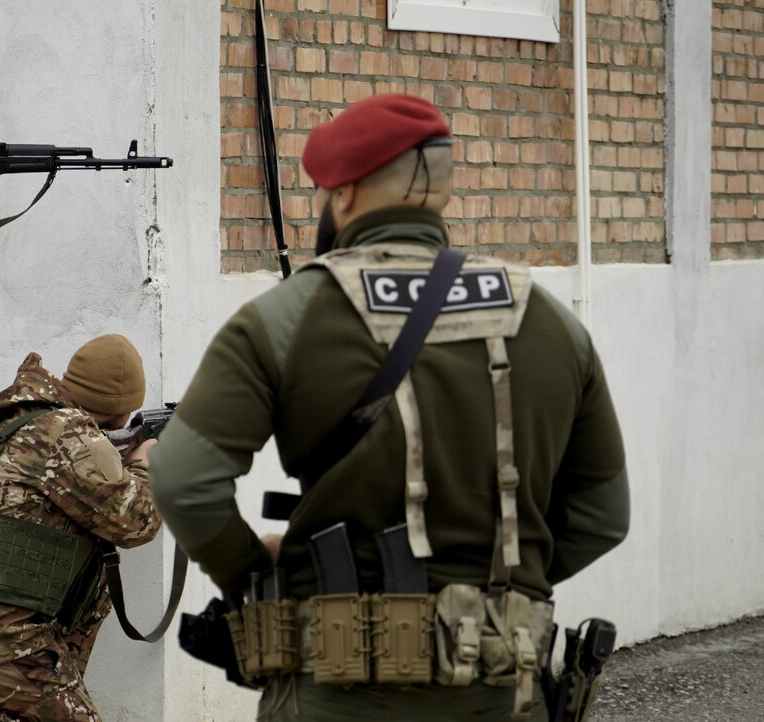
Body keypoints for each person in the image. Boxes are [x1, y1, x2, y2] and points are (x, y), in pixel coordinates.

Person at [149, 93, 630, 721]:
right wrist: (498, 592)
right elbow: (601, 517)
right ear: (442, 195)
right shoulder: (551, 322)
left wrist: (257, 576)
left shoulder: (285, 318)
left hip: (335, 694)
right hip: (502, 693)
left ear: (343, 195)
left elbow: (183, 480)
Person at [0, 334, 162, 722]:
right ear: (123, 412)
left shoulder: (10, 422)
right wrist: (147, 465)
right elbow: (137, 524)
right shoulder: (67, 434)